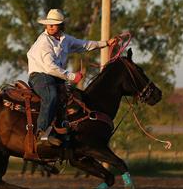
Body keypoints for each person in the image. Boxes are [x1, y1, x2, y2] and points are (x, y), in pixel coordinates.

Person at [27, 8, 118, 149]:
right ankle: (40, 133)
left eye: (54, 23)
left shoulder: (65, 40)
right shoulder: (43, 42)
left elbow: (84, 45)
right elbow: (50, 67)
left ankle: (63, 131)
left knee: (72, 99)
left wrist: (105, 43)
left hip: (55, 77)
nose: (50, 26)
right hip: (40, 76)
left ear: (61, 26)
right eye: (49, 23)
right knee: (51, 96)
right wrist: (72, 76)